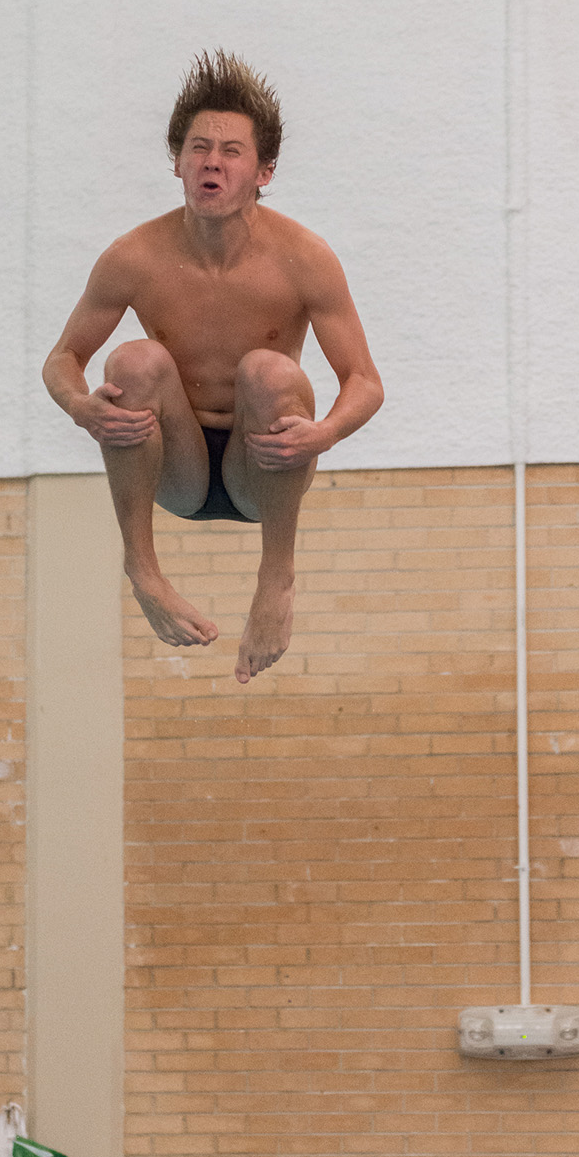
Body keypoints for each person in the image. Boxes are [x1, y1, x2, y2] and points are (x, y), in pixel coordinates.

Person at [43, 50, 384, 685]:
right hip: (178, 466)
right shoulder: (134, 256)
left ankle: (275, 579)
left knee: (272, 373)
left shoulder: (304, 258)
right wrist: (81, 406)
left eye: (231, 151)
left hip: (264, 469)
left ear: (264, 171)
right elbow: (63, 360)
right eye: (199, 148)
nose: (212, 163)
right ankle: (142, 570)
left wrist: (326, 432)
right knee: (133, 360)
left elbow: (364, 381)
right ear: (176, 161)